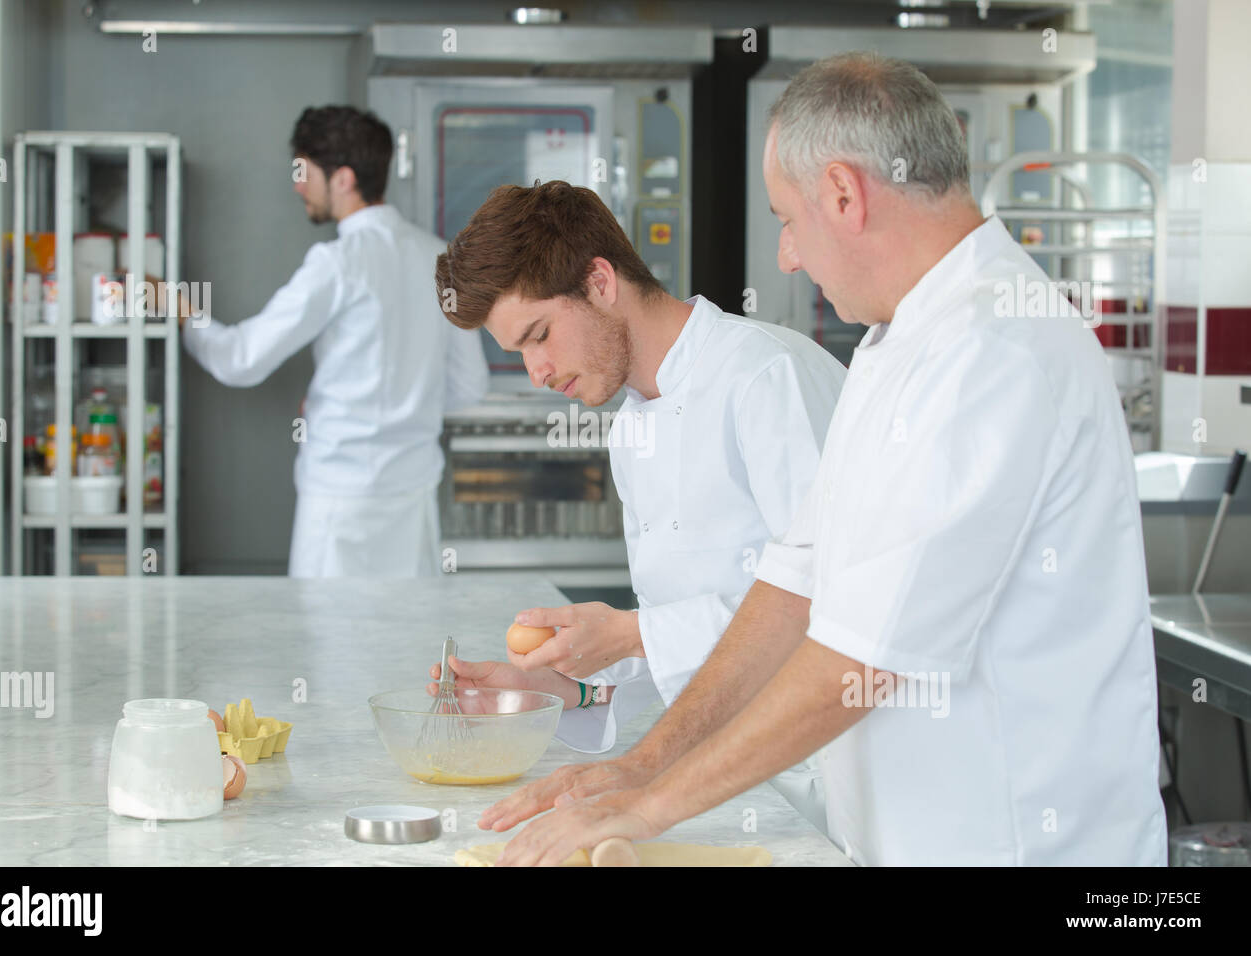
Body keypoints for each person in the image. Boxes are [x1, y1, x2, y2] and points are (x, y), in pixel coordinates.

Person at [485, 53, 1167, 866]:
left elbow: (862, 654)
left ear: (843, 194)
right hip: (897, 837)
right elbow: (793, 584)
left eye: (787, 218)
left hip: (1009, 840)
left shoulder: (994, 352)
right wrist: (637, 768)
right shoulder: (895, 346)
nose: (787, 256)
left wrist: (646, 810)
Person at [431, 181, 846, 829]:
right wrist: (566, 691)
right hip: (722, 780)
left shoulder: (764, 377)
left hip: (831, 781)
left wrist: (629, 631)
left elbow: (832, 604)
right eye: (518, 352)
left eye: (538, 335)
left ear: (599, 281)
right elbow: (692, 639)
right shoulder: (631, 425)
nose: (536, 372)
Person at [179, 105, 488, 577]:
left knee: (327, 647)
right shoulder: (440, 259)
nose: (298, 185)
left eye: (304, 172)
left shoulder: (337, 262)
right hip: (413, 502)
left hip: (339, 506)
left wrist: (182, 311)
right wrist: (406, 403)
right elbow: (470, 387)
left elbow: (241, 359)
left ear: (343, 179)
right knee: (408, 644)